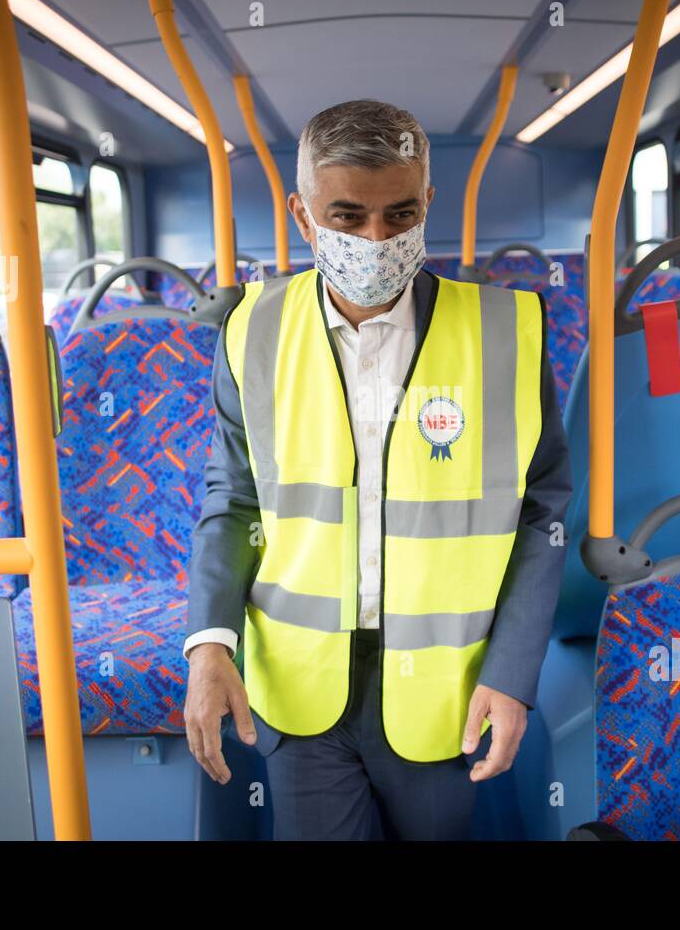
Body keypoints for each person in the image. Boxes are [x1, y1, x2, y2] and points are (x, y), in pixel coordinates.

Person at [182, 99, 571, 840]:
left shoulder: (507, 332)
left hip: (446, 687)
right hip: (299, 686)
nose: (375, 239)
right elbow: (233, 502)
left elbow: (541, 514)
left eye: (400, 215)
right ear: (302, 216)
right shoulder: (252, 330)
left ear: (428, 203)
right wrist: (209, 645)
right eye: (347, 216)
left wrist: (513, 672)